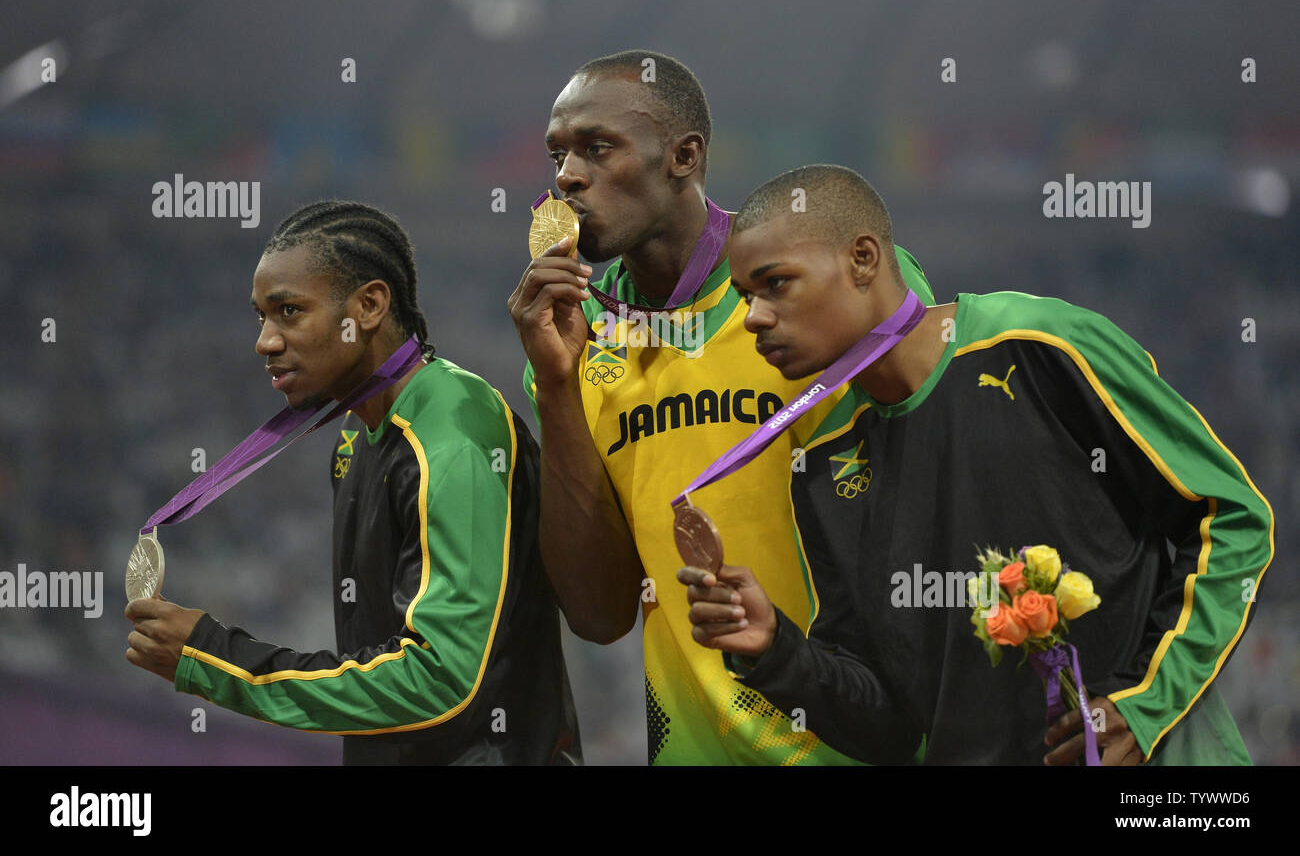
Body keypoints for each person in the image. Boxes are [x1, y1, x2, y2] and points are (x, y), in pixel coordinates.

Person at [679, 164, 1273, 765]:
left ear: (862, 259)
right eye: (745, 296)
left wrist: (1145, 707)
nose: (753, 316)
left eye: (775, 283)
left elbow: (1233, 518)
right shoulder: (824, 464)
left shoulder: (1041, 344)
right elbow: (890, 727)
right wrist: (777, 650)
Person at [508, 51, 935, 764]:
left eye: (596, 147)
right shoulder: (573, 342)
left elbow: (938, 497)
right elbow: (598, 612)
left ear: (684, 155)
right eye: (558, 154)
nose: (566, 176)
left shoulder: (821, 278)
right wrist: (554, 387)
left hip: (860, 745)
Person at [126, 201, 581, 765]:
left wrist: (216, 659)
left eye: (289, 312)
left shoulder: (454, 433)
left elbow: (439, 680)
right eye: (261, 317)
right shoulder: (354, 437)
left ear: (368, 306)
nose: (265, 341)